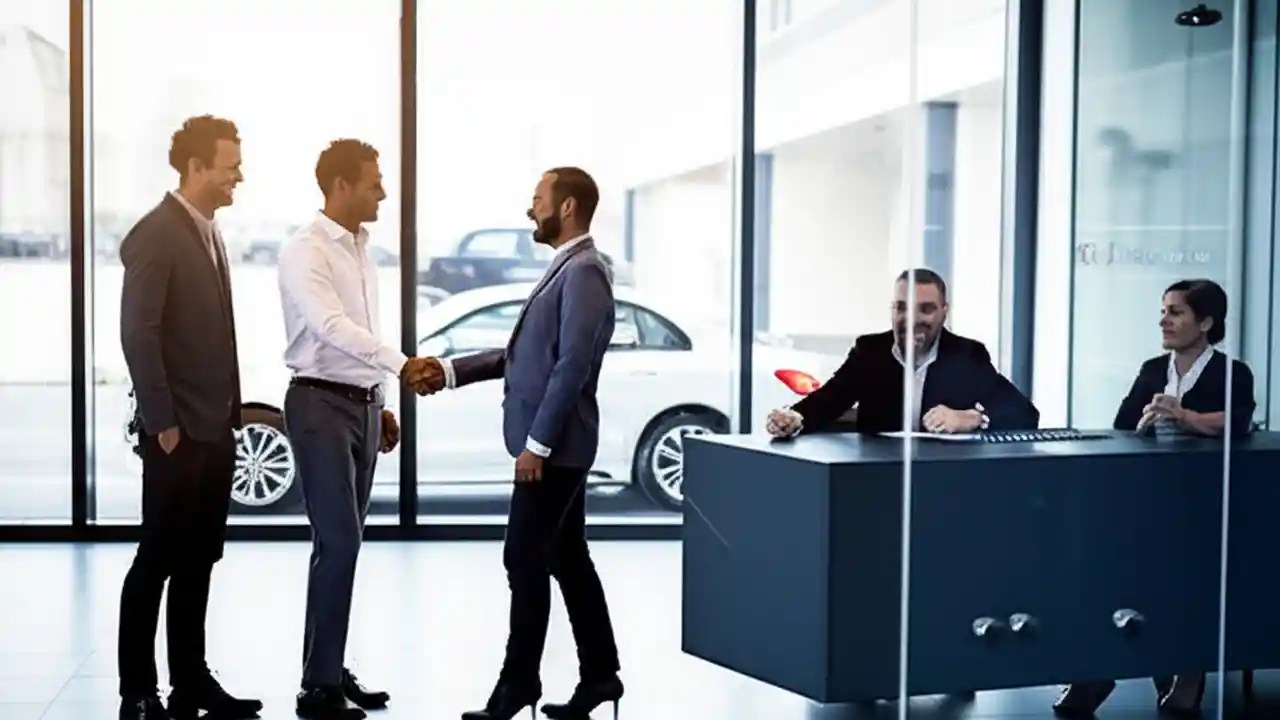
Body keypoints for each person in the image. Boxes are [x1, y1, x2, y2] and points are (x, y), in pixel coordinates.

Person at [426, 167, 623, 720]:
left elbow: (571, 367)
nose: (528, 209)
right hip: (560, 445)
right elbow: (526, 356)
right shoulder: (568, 268)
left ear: (566, 208)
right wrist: (449, 371)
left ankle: (517, 686)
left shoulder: (585, 272)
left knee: (524, 558)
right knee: (566, 556)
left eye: (537, 200)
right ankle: (602, 676)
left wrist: (536, 444)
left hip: (555, 448)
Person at [277, 139, 442, 720]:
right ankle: (316, 687)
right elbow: (328, 326)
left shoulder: (361, 248)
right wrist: (401, 366)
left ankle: (327, 667)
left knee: (340, 547)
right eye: (374, 182)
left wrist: (381, 399)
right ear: (341, 186)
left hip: (361, 406)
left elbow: (359, 332)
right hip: (319, 406)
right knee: (340, 542)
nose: (383, 192)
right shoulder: (306, 249)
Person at [1052, 278, 1255, 718]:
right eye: (1163, 310)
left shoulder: (1230, 373)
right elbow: (1122, 426)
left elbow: (1239, 421)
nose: (1164, 320)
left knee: (1181, 578)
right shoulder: (1151, 369)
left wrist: (1185, 416)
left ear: (1205, 322)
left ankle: (1184, 668)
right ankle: (1097, 669)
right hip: (1147, 496)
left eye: (1175, 312)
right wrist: (1145, 422)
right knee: (1107, 572)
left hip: (1200, 501)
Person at [116, 115, 262, 720]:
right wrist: (162, 421)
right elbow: (138, 332)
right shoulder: (156, 233)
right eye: (230, 166)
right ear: (197, 167)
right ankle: (138, 691)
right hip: (176, 431)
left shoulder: (209, 230)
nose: (239, 176)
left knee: (200, 559)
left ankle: (191, 681)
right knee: (157, 558)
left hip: (214, 428)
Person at [766, 268, 1039, 438]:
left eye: (926, 309)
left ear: (945, 312)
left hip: (949, 483)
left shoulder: (966, 355)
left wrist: (971, 418)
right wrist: (795, 418)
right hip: (878, 480)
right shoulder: (870, 351)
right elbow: (830, 399)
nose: (912, 318)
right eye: (902, 307)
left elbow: (1024, 414)